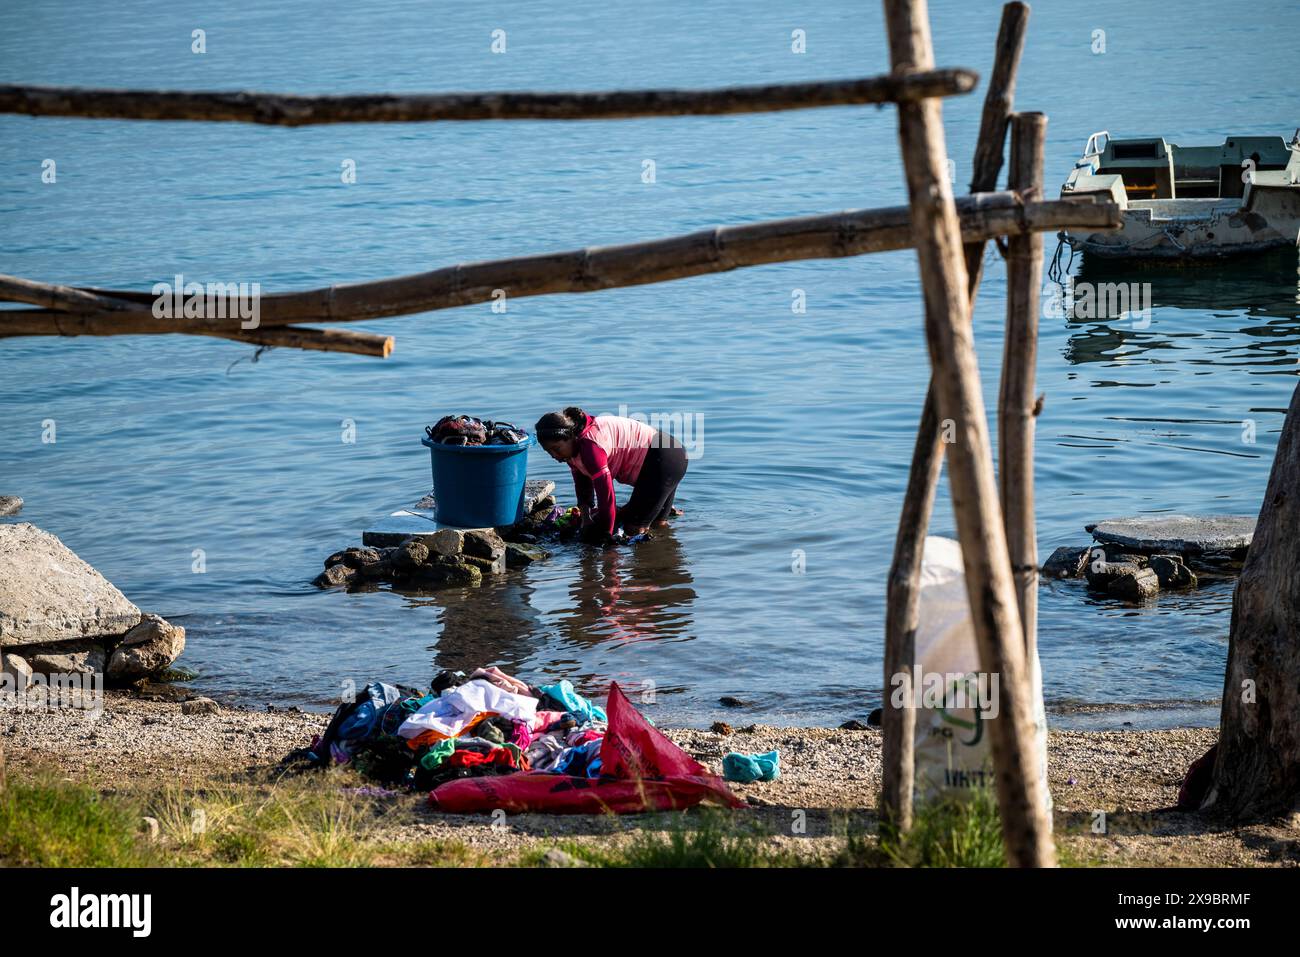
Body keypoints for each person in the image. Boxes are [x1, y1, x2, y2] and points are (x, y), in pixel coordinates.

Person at [535, 406, 687, 544]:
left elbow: (606, 497)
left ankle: (646, 566)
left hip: (663, 458)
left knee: (633, 528)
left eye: (556, 449)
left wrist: (606, 536)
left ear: (570, 437)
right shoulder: (572, 450)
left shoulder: (590, 447)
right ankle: (666, 559)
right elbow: (582, 485)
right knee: (658, 523)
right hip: (669, 453)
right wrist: (586, 518)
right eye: (549, 452)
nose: (554, 455)